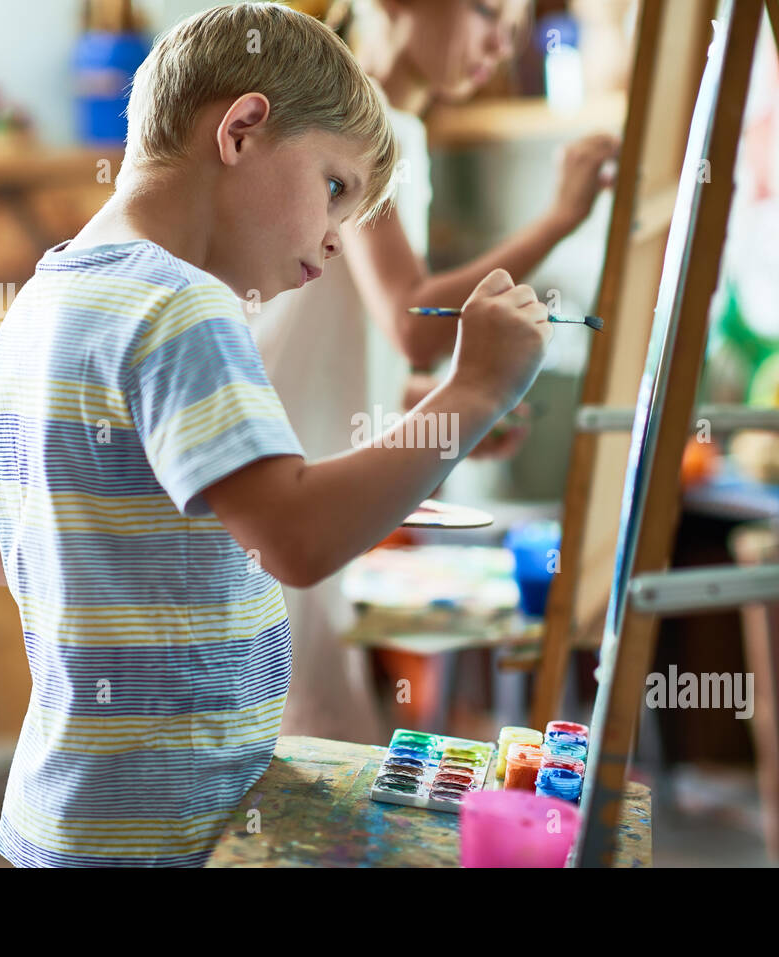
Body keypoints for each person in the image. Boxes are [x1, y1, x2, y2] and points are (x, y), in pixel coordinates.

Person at [0, 2, 552, 867]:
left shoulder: (47, 294)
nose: (334, 242)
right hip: (173, 829)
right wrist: (475, 389)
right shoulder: (186, 306)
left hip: (65, 816)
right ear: (240, 129)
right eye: (335, 190)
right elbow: (299, 537)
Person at [250, 0, 618, 744]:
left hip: (291, 479)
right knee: (316, 753)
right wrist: (559, 219)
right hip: (270, 490)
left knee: (326, 740)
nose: (501, 39)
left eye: (514, 23)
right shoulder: (359, 120)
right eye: (487, 10)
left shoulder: (395, 126)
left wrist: (438, 411)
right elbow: (412, 319)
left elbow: (351, 347)